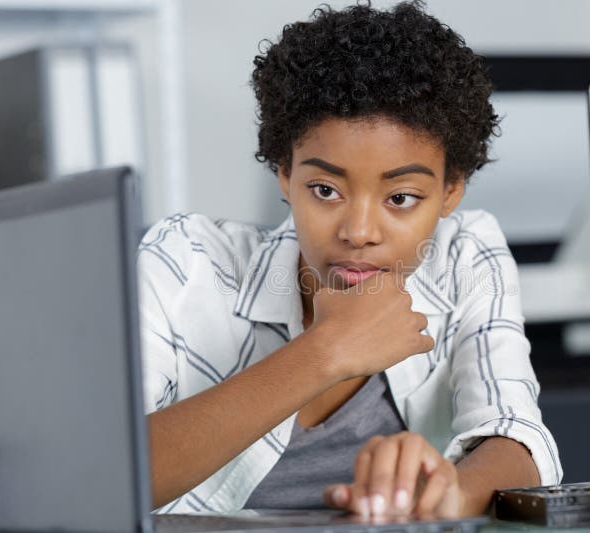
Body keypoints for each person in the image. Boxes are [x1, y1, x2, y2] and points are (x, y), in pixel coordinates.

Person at [139, 0, 562, 520]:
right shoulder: (185, 262)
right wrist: (325, 351)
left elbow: (516, 434)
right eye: (324, 189)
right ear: (283, 174)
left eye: (401, 198)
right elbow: (106, 476)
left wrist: (450, 493)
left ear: (451, 191)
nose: (359, 233)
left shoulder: (464, 257)